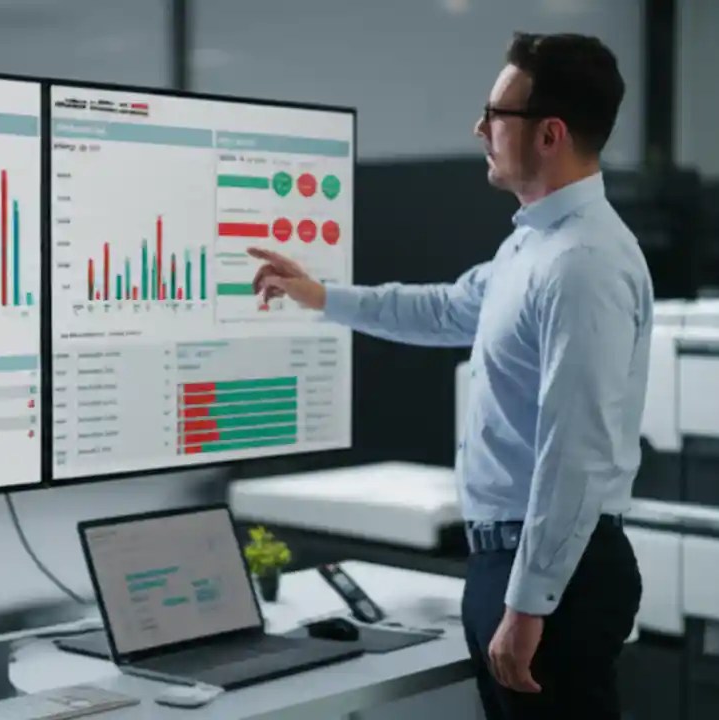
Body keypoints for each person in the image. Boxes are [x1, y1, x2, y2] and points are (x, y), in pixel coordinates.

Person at [249, 32, 649, 719]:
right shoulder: (537, 242)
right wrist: (322, 297)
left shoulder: (581, 263)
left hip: (552, 574)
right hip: (517, 561)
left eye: (495, 114)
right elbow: (446, 308)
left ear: (549, 134)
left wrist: (529, 603)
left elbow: (576, 454)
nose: (480, 129)